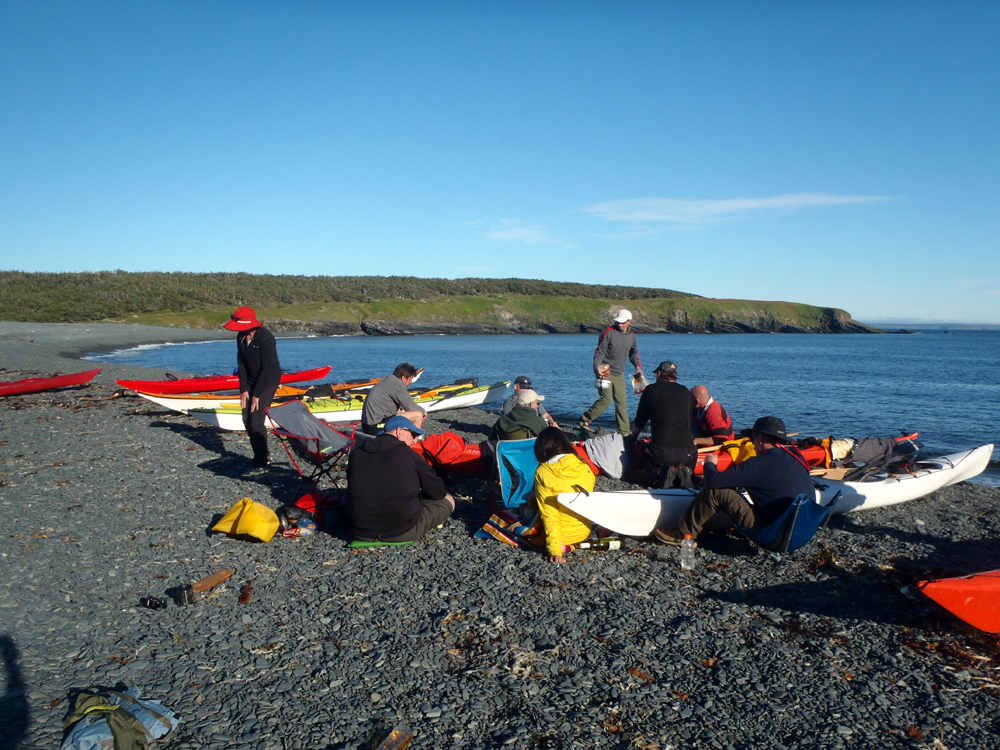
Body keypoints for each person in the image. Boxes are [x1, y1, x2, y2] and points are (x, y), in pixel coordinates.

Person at [653, 416, 815, 545]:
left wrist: (710, 464)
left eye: (752, 439)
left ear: (760, 439)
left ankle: (682, 533)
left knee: (716, 491)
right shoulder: (798, 458)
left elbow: (714, 481)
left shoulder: (760, 463)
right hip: (803, 533)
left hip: (775, 536)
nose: (752, 444)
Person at [347, 415, 455, 542]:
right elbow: (437, 492)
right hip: (402, 531)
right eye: (413, 434)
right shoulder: (410, 455)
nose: (415, 440)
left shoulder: (356, 453)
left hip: (360, 531)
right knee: (448, 499)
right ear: (399, 431)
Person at [224, 306, 282, 476]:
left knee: (256, 419)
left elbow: (267, 368)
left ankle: (261, 463)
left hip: (268, 380)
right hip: (250, 379)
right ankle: (262, 451)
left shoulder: (266, 338)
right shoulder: (241, 337)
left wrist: (257, 395)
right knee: (246, 418)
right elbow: (241, 364)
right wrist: (243, 390)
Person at [526, 427, 598, 563]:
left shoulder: (543, 471)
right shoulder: (584, 466)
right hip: (584, 531)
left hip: (562, 537)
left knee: (513, 517)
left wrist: (555, 549)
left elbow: (549, 514)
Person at [623, 361, 697, 488]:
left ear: (659, 374)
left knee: (631, 473)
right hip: (689, 453)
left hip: (662, 453)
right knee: (676, 466)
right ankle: (684, 473)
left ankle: (659, 474)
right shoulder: (685, 391)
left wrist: (632, 439)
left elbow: (640, 421)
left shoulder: (651, 390)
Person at [580, 309, 643, 435]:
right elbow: (599, 351)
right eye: (618, 322)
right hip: (605, 371)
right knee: (606, 399)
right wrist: (597, 368)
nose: (619, 324)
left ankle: (623, 432)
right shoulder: (608, 333)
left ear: (629, 321)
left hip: (619, 373)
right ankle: (584, 419)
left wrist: (638, 366)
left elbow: (633, 354)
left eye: (622, 322)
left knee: (621, 404)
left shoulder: (632, 336)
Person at [360, 362, 426, 435]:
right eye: (410, 379)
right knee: (418, 414)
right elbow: (410, 407)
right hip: (375, 427)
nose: (411, 382)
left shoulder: (388, 379)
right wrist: (424, 412)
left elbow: (402, 406)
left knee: (399, 410)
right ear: (403, 378)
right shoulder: (397, 384)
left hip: (367, 425)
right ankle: (414, 440)